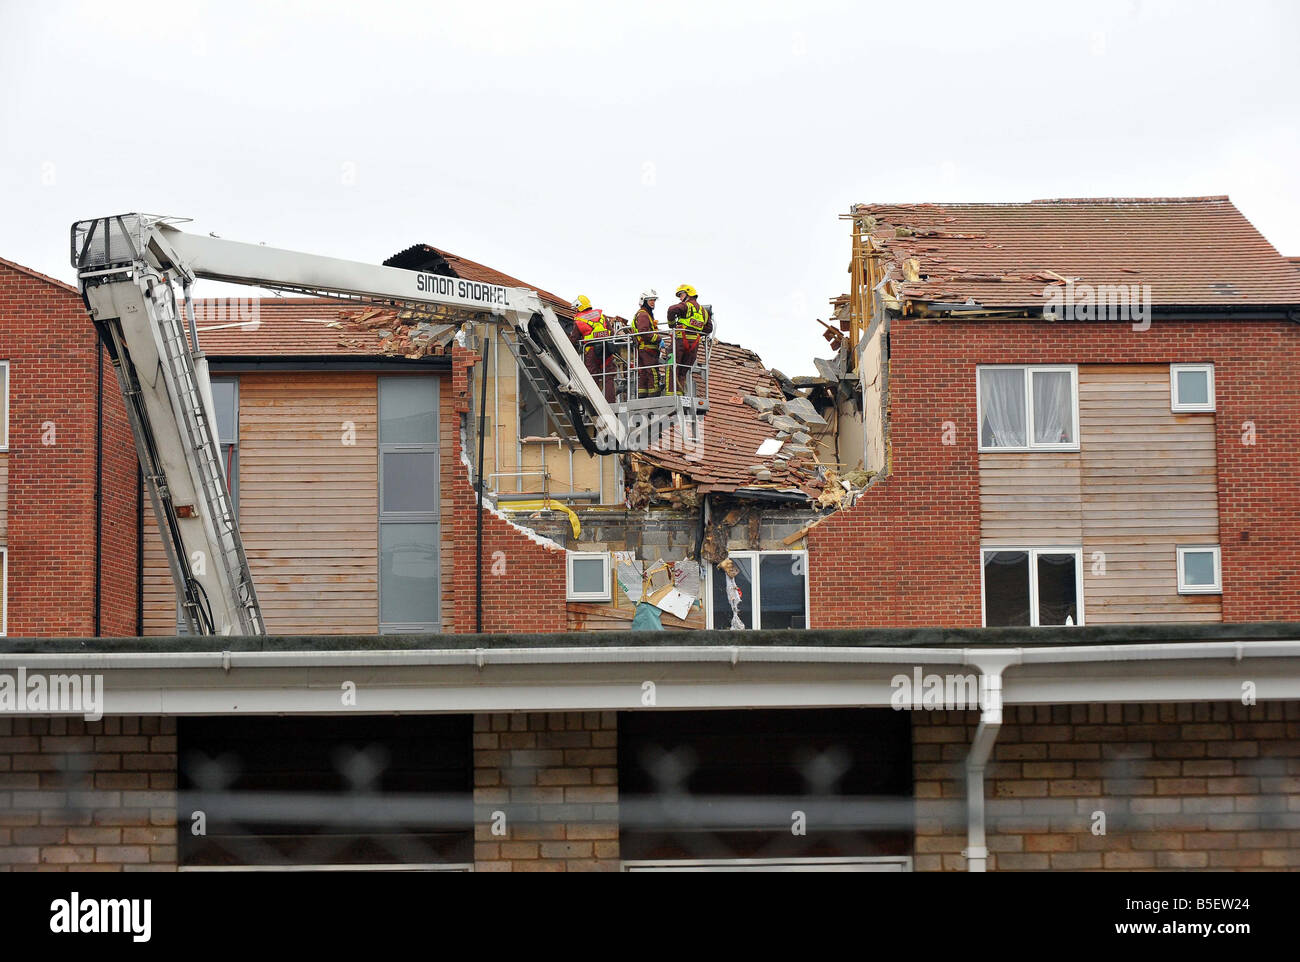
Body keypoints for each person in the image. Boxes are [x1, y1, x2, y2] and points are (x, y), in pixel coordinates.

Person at [665, 283, 713, 396]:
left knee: (672, 366)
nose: (680, 298)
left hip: (680, 342)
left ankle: (671, 394)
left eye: (681, 295)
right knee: (683, 370)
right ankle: (679, 393)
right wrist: (696, 332)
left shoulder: (687, 306)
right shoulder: (704, 312)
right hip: (693, 346)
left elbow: (671, 310)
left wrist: (672, 325)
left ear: (688, 294)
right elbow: (709, 328)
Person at [571, 294, 617, 403]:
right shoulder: (601, 315)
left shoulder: (579, 320)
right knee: (609, 377)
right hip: (606, 348)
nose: (575, 310)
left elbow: (574, 339)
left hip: (591, 351)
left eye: (576, 308)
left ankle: (596, 403)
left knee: (593, 378)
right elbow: (611, 332)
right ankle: (610, 402)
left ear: (579, 306)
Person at [632, 289, 664, 398]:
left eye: (654, 300)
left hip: (644, 349)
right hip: (647, 350)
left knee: (644, 374)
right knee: (653, 373)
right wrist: (659, 339)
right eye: (650, 300)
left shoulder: (646, 314)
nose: (653, 303)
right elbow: (644, 332)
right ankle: (654, 396)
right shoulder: (643, 315)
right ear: (644, 301)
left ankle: (643, 396)